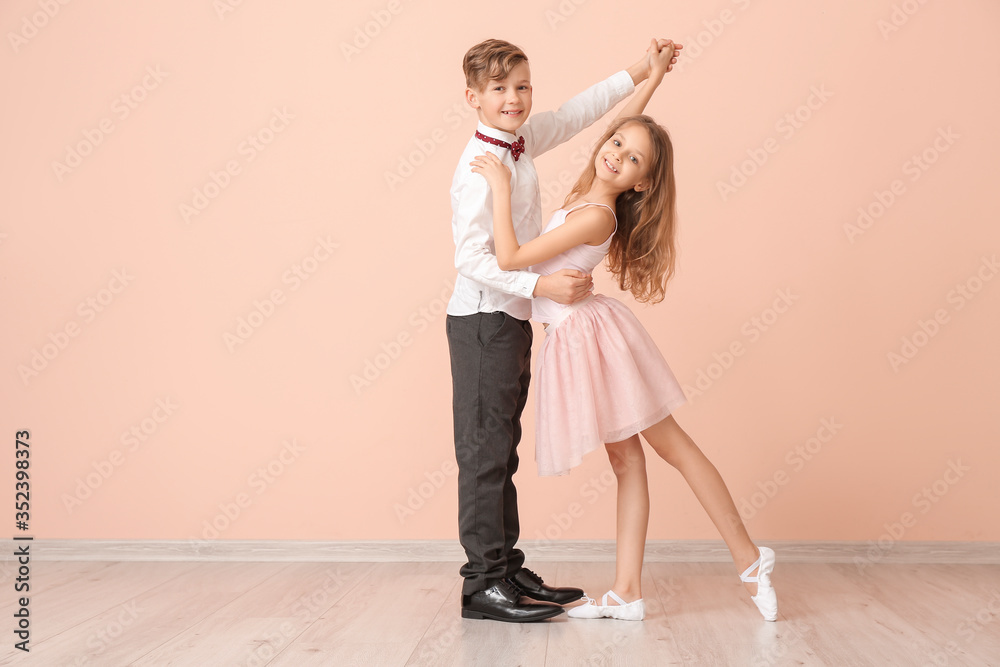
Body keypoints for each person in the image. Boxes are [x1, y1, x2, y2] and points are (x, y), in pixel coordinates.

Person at [470, 39, 778, 623]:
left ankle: (749, 556)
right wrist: (651, 76)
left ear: (642, 183)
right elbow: (620, 129)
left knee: (673, 448)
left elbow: (509, 259)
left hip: (594, 343)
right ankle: (629, 593)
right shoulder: (595, 185)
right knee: (628, 463)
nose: (616, 154)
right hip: (580, 339)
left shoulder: (595, 213)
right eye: (616, 145)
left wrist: (502, 184)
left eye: (633, 160)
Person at [446, 37, 677, 623]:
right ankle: (482, 584)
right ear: (473, 98)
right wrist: (538, 287)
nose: (514, 98)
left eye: (522, 86)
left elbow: (582, 113)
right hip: (482, 319)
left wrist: (642, 70)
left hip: (514, 322)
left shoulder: (521, 143)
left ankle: (504, 566)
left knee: (502, 450)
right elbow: (471, 259)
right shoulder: (480, 170)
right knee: (484, 454)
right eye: (499, 89)